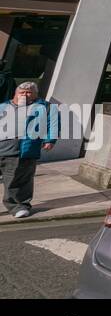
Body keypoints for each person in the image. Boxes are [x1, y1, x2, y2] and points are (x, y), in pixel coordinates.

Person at [0, 82, 59, 219]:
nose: (25, 95)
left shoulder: (46, 107)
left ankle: (19, 206)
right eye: (22, 92)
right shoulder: (3, 106)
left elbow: (53, 123)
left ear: (35, 95)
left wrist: (50, 140)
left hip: (23, 150)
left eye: (29, 92)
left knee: (19, 181)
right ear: (15, 94)